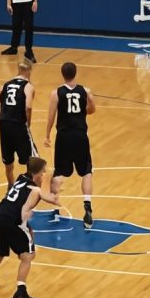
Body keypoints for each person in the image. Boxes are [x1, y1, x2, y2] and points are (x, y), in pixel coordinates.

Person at [0, 156, 58, 298]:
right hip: (12, 220)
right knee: (28, 255)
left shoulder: (21, 178)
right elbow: (52, 199)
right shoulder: (36, 189)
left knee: (1, 247)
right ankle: (21, 292)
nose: (45, 174)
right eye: (44, 172)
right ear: (38, 174)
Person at [44, 62, 96, 228]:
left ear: (62, 74)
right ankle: (87, 206)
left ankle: (56, 207)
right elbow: (92, 108)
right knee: (86, 172)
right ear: (76, 73)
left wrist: (47, 135)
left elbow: (51, 116)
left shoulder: (56, 93)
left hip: (64, 136)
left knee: (59, 172)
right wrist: (81, 111)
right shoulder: (85, 91)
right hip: (80, 135)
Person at [0, 60, 36, 186]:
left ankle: (10, 185)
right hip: (18, 124)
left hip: (4, 125)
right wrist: (28, 123)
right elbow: (28, 107)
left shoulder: (5, 85)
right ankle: (30, 186)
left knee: (8, 160)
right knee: (31, 158)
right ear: (29, 71)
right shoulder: (28, 86)